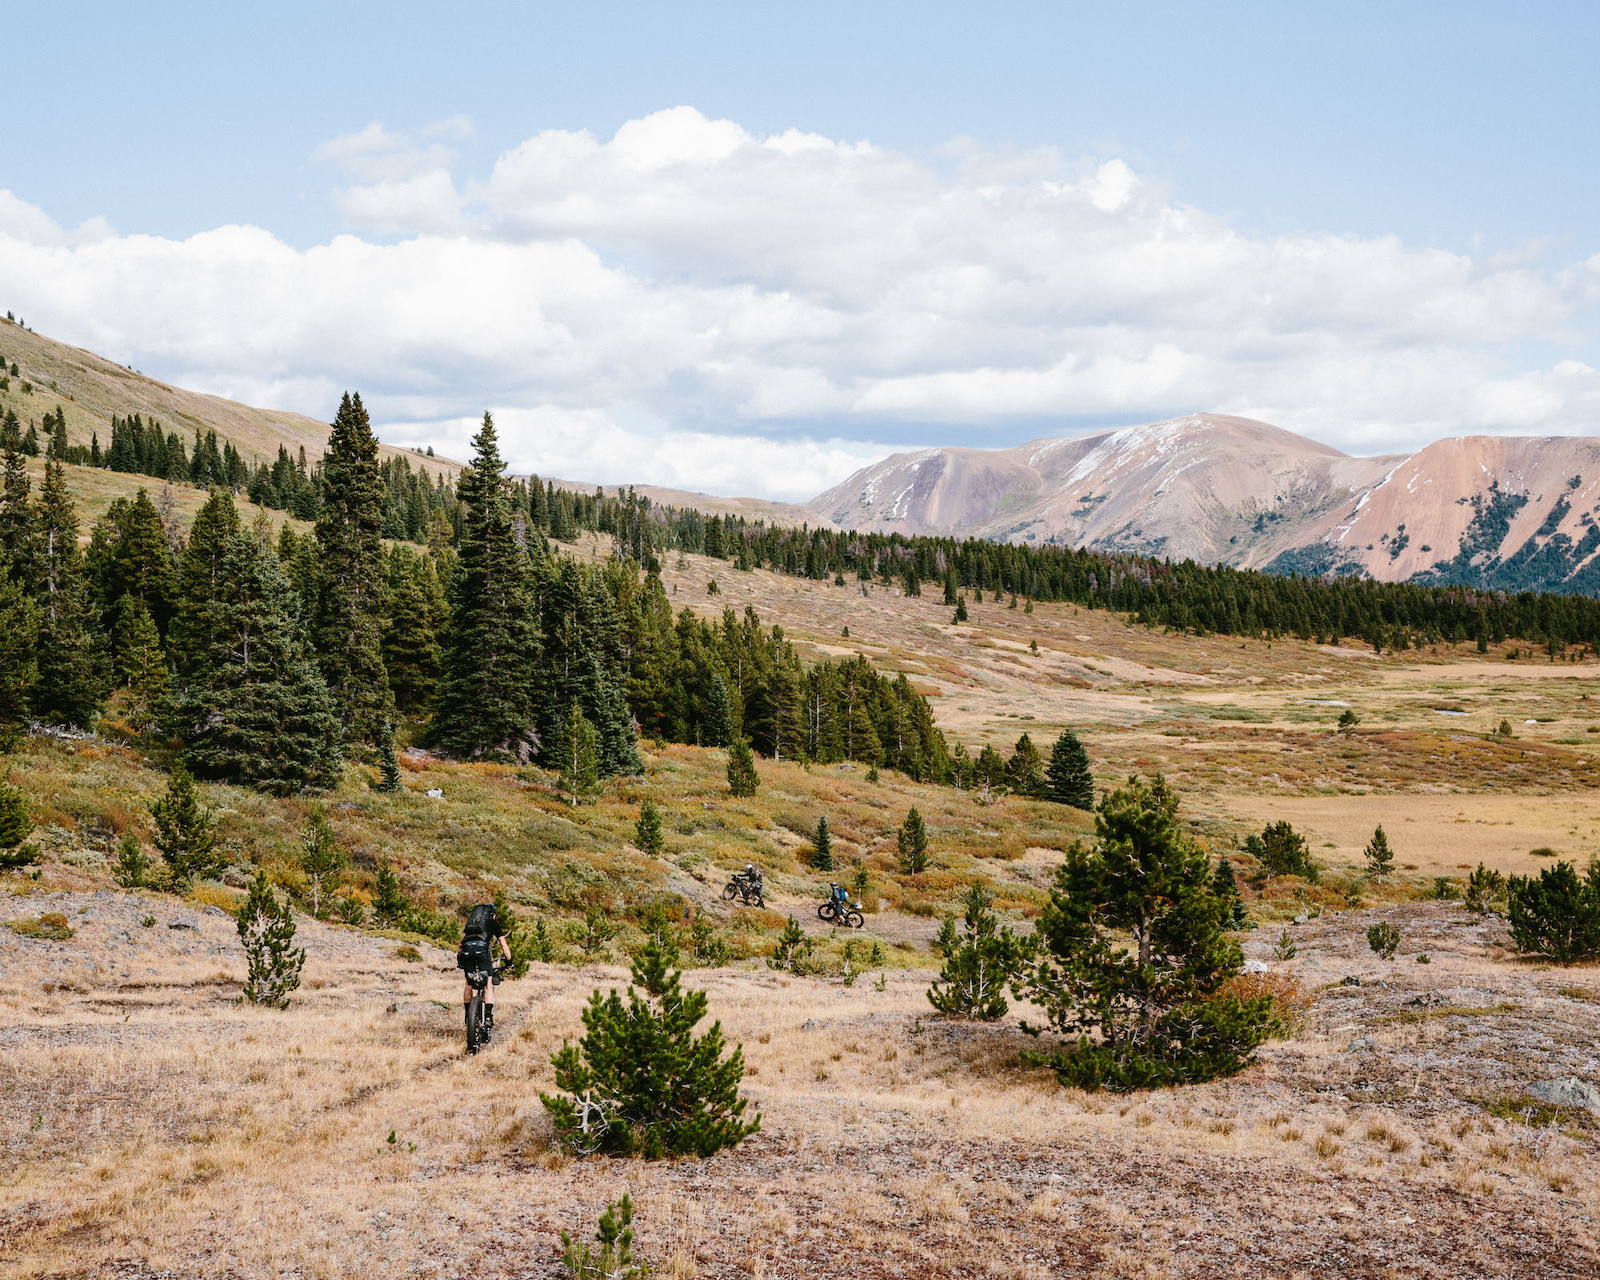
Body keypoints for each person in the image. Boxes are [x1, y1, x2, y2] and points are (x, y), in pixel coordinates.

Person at [456, 902, 512, 1041]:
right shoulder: (493, 924)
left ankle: (468, 1015)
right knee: (488, 982)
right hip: (482, 951)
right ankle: (488, 1017)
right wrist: (509, 962)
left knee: (468, 983)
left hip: (467, 952)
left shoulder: (470, 924)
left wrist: (461, 960)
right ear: (492, 915)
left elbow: (460, 944)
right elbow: (504, 946)